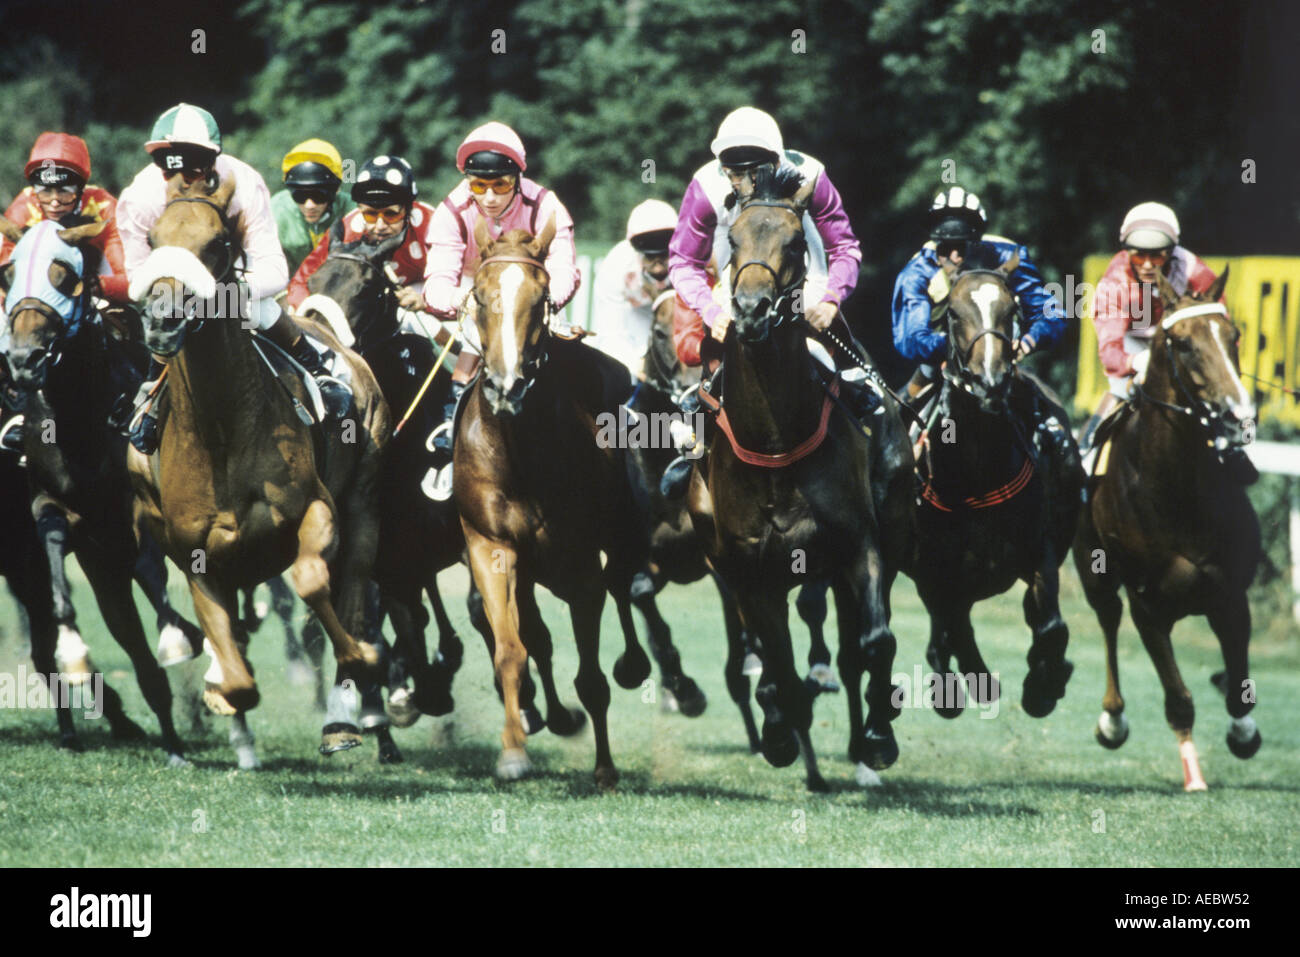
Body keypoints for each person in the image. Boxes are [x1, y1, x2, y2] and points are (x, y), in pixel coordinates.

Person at [117, 103, 347, 454]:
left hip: (230, 282)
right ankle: (147, 396)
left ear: (213, 159)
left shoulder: (244, 183)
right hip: (170, 293)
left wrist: (224, 295)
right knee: (159, 319)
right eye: (169, 168)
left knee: (256, 308)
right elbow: (137, 278)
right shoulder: (139, 197)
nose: (181, 180)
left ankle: (318, 371)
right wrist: (178, 298)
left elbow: (273, 269)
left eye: (194, 168)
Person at [661, 106, 867, 496]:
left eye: (752, 172)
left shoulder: (811, 175)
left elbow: (844, 247)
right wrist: (710, 310)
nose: (741, 182)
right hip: (738, 287)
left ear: (775, 162)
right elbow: (683, 261)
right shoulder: (706, 185)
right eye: (733, 173)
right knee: (720, 365)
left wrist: (831, 299)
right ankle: (696, 443)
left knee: (823, 355)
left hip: (802, 284)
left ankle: (865, 420)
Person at [419, 121, 581, 501]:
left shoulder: (546, 204)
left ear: (518, 178)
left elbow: (564, 269)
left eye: (501, 185)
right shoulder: (451, 210)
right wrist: (465, 300)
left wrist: (541, 301)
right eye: (479, 185)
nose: (489, 197)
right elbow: (437, 282)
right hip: (473, 305)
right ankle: (448, 426)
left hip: (532, 303)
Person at [1080, 201, 1254, 482]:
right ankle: (1086, 458)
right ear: (1127, 252)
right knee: (1119, 397)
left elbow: (1220, 329)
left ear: (1171, 253)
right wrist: (1137, 361)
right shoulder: (1113, 283)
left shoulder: (1194, 270)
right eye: (1139, 256)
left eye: (1157, 255)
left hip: (1182, 344)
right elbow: (1110, 352)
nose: (1148, 265)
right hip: (1133, 347)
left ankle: (1230, 448)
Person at [287, 154, 432, 316]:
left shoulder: (431, 224)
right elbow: (299, 283)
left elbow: (460, 282)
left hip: (422, 291)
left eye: (391, 214)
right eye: (370, 214)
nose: (380, 226)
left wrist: (427, 301)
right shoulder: (348, 229)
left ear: (408, 210)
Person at [1, 132, 129, 305]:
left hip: (95, 285)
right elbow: (4, 284)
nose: (54, 203)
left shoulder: (105, 207)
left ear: (81, 189)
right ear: (34, 190)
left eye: (64, 191)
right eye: (45, 191)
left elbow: (130, 281)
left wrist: (95, 286)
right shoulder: (21, 211)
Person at [589, 199, 678, 381]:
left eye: (664, 254)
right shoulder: (615, 266)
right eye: (650, 256)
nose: (658, 265)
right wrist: (635, 364)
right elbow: (609, 333)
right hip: (632, 316)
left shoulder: (692, 261)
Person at [271, 139, 352, 275]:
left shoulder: (351, 210)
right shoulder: (275, 210)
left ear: (335, 191)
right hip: (288, 287)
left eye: (319, 196)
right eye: (300, 197)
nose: (309, 205)